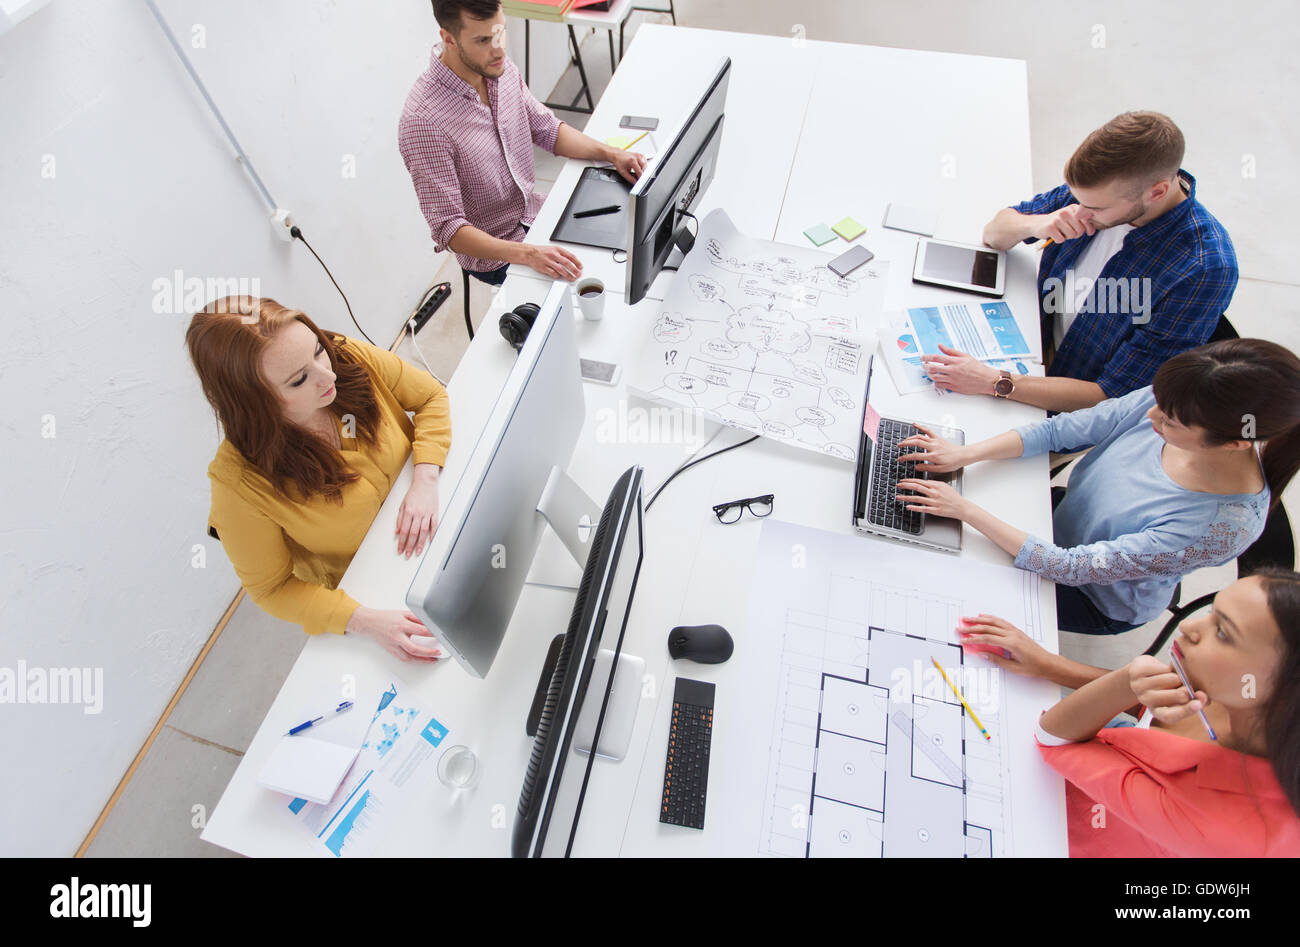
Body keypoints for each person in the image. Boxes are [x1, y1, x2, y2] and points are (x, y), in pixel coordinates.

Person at [895, 339, 1300, 634]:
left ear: (1234, 442)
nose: (1152, 415)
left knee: (930, 594)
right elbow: (1064, 428)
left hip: (1088, 594)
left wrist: (964, 508)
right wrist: (965, 454)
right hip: (1058, 520)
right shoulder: (1181, 399)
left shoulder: (1219, 528)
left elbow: (1068, 567)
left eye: (1170, 422)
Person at [956, 571, 1300, 857]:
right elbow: (1150, 702)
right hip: (1104, 749)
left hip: (1076, 825)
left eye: (1223, 633)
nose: (1189, 629)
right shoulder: (1247, 693)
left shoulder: (1226, 826)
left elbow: (1054, 738)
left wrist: (1126, 679)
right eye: (1212, 611)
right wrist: (1047, 664)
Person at [187, 296, 450, 663]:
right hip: (382, 584)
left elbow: (430, 397)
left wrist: (425, 478)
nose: (328, 376)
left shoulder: (341, 358)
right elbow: (273, 589)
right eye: (298, 380)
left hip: (444, 507)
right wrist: (365, 621)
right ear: (255, 402)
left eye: (317, 351)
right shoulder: (238, 484)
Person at [925, 111, 1237, 413]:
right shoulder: (1097, 191)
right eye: (1078, 200)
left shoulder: (1204, 267)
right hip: (1029, 341)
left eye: (1095, 208)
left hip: (1071, 403)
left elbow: (1113, 396)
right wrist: (1036, 224)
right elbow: (995, 233)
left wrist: (994, 381)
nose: (1080, 213)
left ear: (1157, 192)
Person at [400, 0, 647, 285]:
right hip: (497, 257)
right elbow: (449, 229)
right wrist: (528, 254)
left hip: (536, 215)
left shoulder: (497, 67)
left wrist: (612, 153)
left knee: (625, 242)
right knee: (596, 285)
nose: (499, 49)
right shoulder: (423, 122)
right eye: (483, 40)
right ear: (448, 38)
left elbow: (546, 129)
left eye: (500, 32)